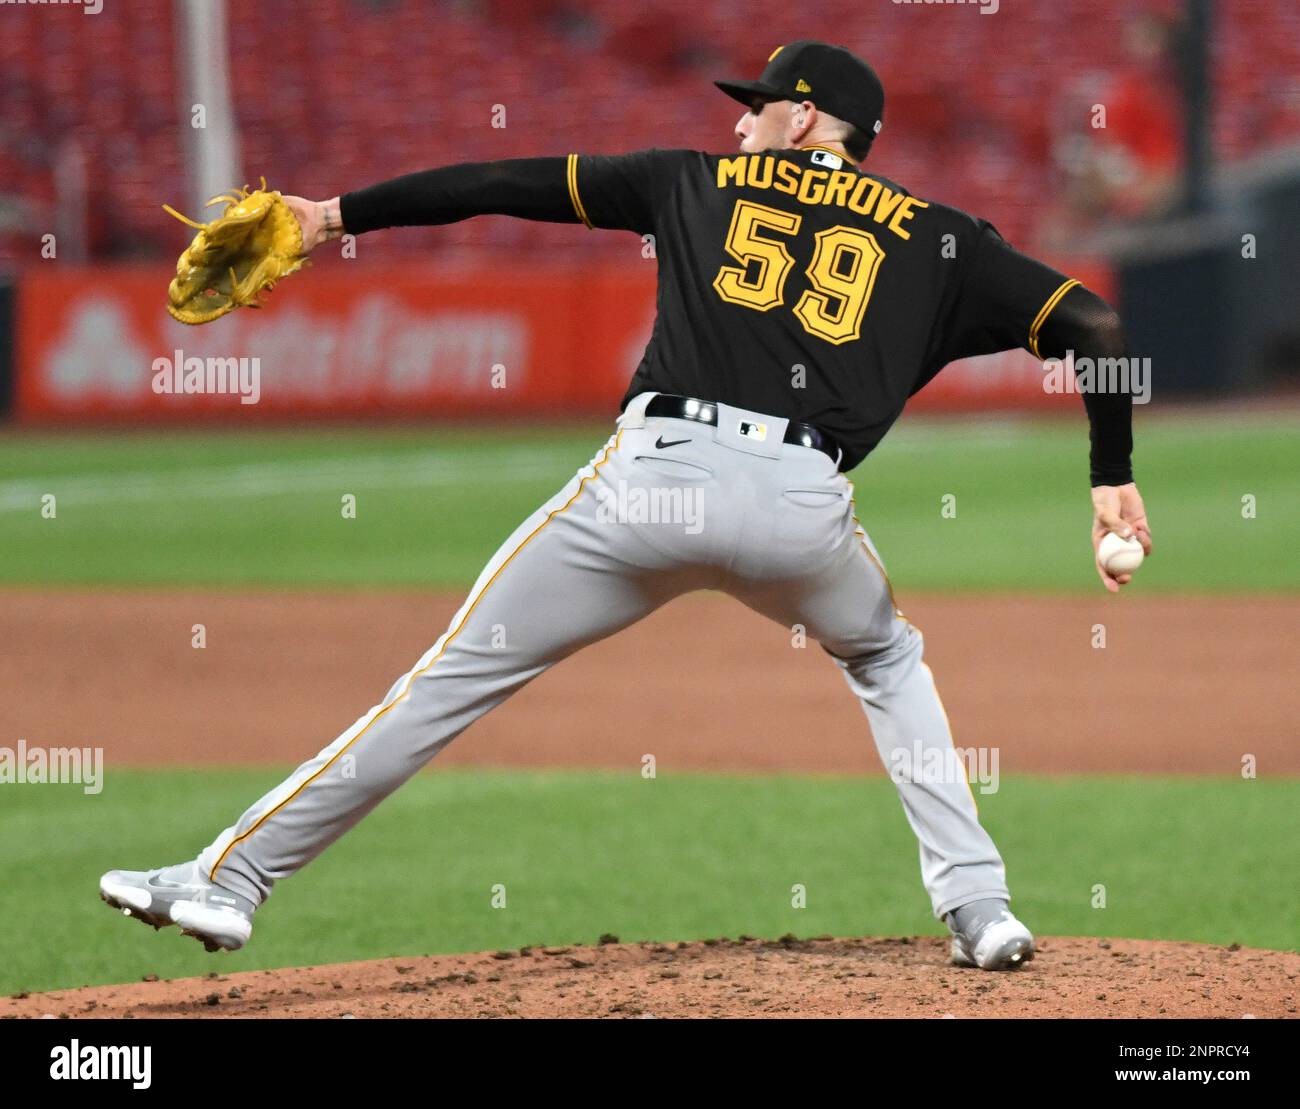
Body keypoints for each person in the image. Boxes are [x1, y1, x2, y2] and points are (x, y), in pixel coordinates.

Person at [101, 40, 1152, 971]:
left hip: (651, 481)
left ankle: (229, 881)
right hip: (801, 505)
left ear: (798, 117)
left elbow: (500, 182)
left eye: (754, 107)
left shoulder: (686, 180)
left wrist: (332, 214)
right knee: (885, 659)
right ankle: (980, 906)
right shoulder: (940, 237)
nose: (735, 124)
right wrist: (1111, 480)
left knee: (443, 682)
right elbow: (1096, 325)